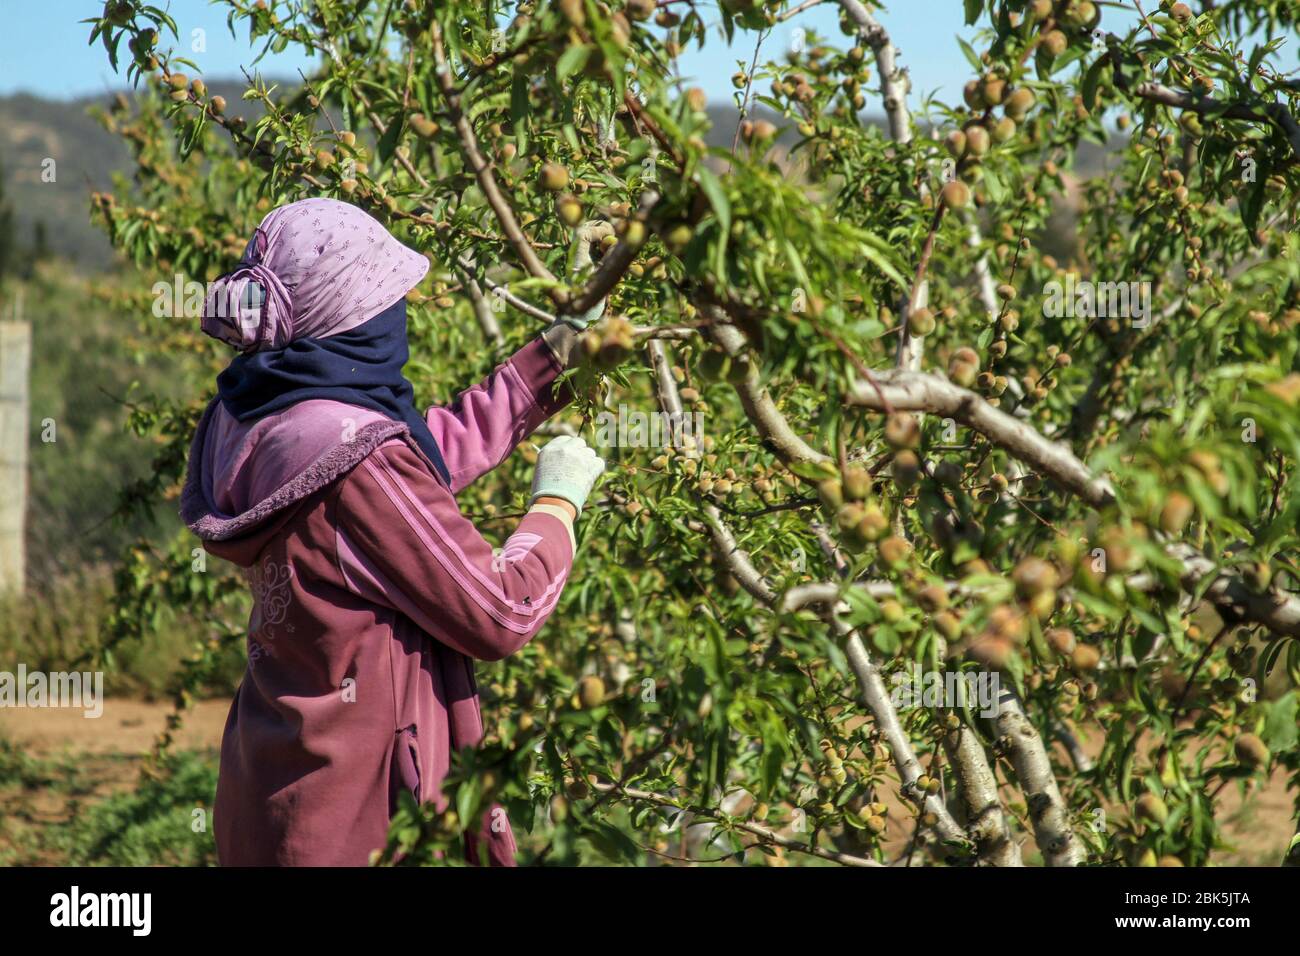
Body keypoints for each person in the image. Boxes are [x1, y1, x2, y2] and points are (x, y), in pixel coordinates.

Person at [180, 197, 608, 865]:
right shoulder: (359, 464)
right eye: (388, 302)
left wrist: (549, 362)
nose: (397, 316)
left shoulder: (256, 412)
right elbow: (501, 609)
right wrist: (557, 502)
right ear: (355, 323)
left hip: (277, 796)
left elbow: (408, 466)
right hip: (365, 824)